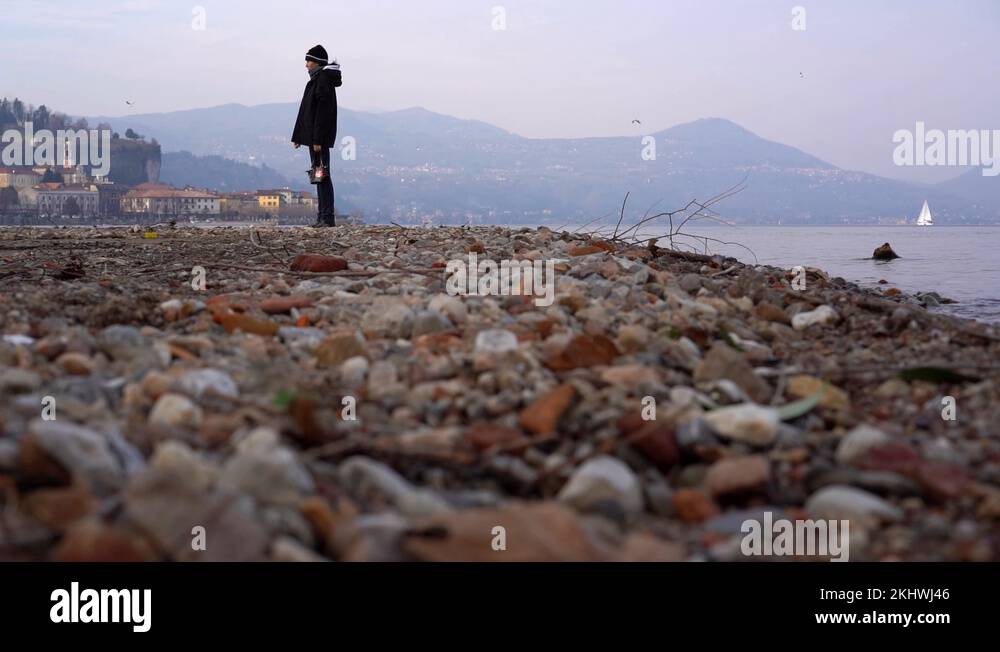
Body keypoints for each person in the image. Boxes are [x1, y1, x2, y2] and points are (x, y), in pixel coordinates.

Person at [292, 44, 342, 227]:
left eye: (308, 61)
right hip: (314, 139)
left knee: (323, 175)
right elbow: (306, 111)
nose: (306, 65)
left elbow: (322, 113)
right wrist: (298, 136)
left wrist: (318, 140)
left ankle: (327, 218)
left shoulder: (322, 81)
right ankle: (322, 217)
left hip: (318, 140)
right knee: (318, 175)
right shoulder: (316, 80)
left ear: (318, 62)